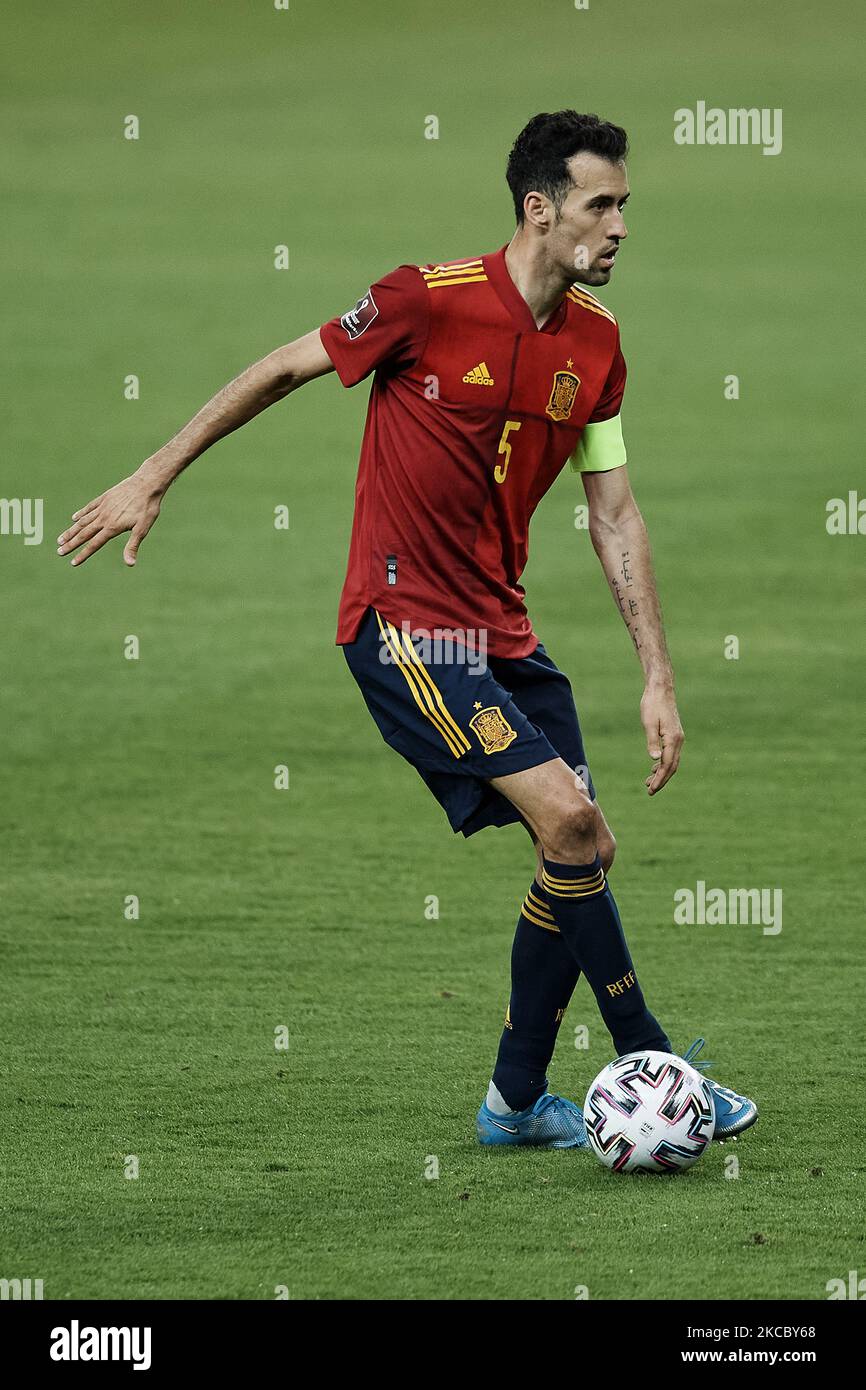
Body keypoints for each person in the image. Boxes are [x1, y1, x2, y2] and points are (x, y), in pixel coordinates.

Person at [58, 110, 757, 1150]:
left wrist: (655, 674)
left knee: (578, 847)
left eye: (624, 206)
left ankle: (514, 1104)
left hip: (505, 636)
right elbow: (285, 366)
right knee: (570, 825)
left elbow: (612, 510)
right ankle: (651, 1059)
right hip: (405, 631)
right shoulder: (420, 304)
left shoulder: (598, 350)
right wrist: (150, 476)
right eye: (600, 205)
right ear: (539, 208)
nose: (618, 226)